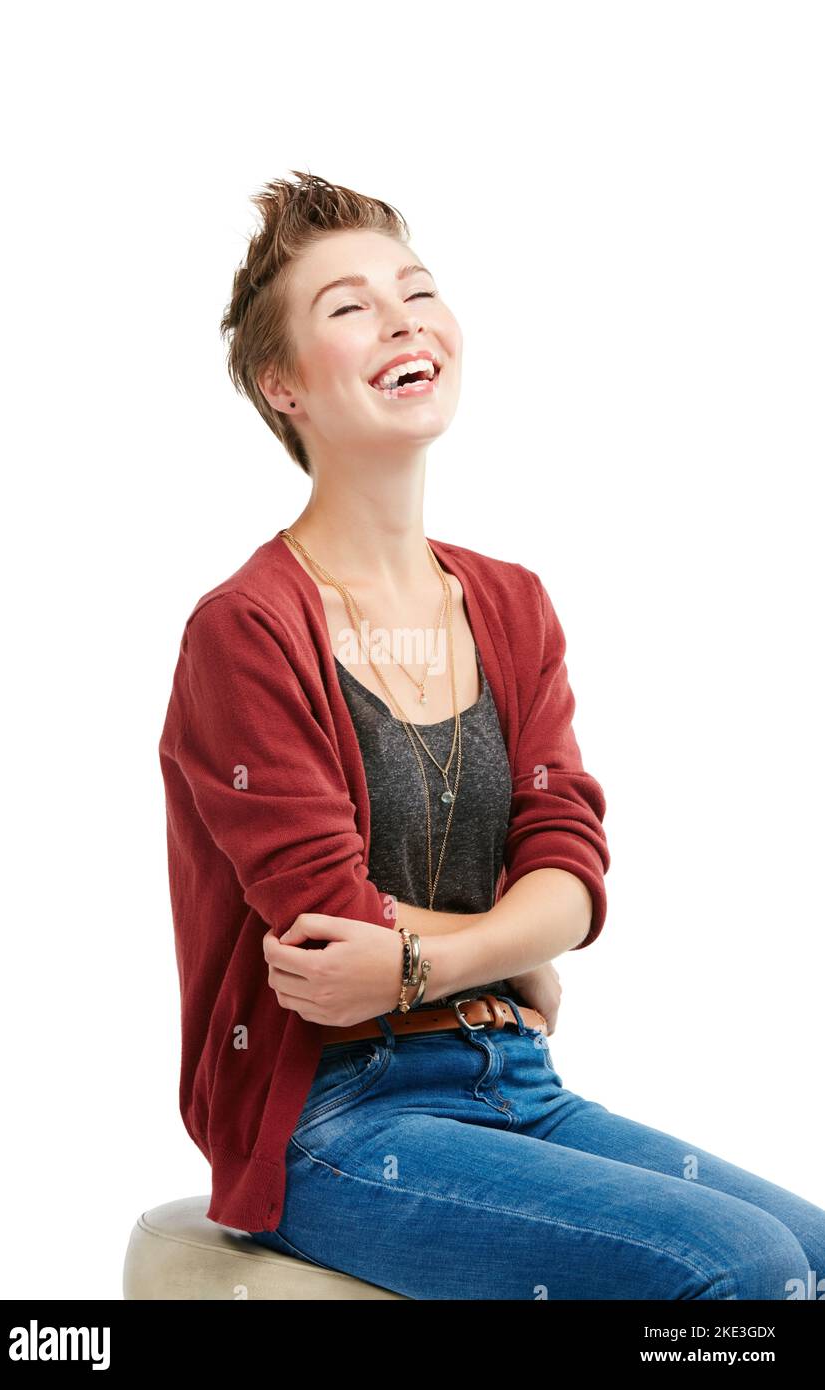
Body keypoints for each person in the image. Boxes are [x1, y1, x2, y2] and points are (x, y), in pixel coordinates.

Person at [158, 170, 825, 1300]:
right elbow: (330, 935)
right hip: (336, 1114)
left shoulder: (509, 605)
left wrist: (444, 959)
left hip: (514, 1074)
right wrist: (509, 945)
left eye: (415, 290)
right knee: (741, 1271)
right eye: (349, 306)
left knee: (810, 1253)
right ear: (283, 387)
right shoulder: (246, 631)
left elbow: (570, 868)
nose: (402, 316)